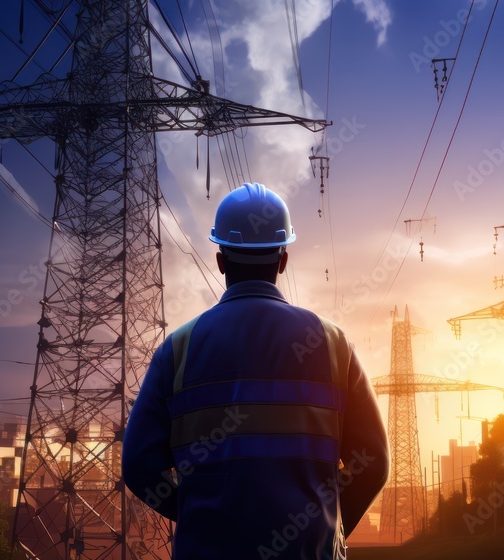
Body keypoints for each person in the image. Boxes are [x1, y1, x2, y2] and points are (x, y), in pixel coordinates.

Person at [123, 182, 388, 559]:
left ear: (220, 261)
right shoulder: (332, 344)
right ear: (283, 260)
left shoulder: (177, 350)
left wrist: (198, 517)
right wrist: (327, 527)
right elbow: (373, 463)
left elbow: (138, 466)